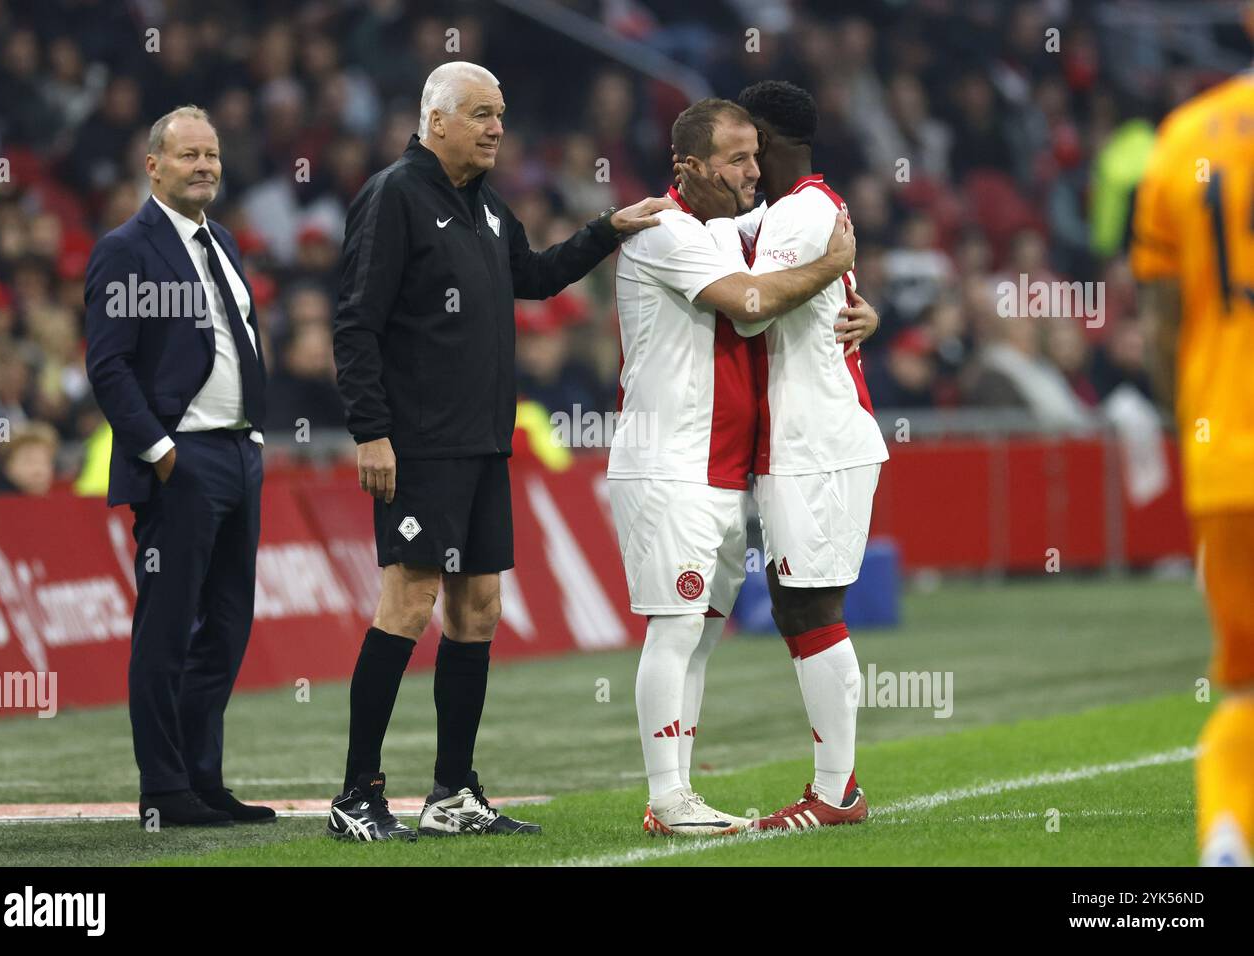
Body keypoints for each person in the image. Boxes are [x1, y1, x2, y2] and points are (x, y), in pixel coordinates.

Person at [329, 61, 673, 841]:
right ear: (435, 120)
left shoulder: (484, 207)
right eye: (481, 114)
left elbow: (537, 278)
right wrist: (370, 430)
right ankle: (357, 793)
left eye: (501, 115)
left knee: (477, 612)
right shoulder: (394, 197)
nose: (495, 128)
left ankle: (452, 792)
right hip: (418, 445)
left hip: (483, 444)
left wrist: (607, 230)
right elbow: (355, 323)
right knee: (408, 603)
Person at [610, 97, 860, 837]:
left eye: (758, 155)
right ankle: (667, 797)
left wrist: (856, 300)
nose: (756, 172)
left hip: (717, 468)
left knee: (699, 633)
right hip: (670, 463)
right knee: (676, 626)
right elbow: (750, 303)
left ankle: (675, 796)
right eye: (737, 160)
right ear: (689, 166)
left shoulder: (718, 227)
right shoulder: (665, 230)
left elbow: (779, 259)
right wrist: (834, 265)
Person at [686, 80, 888, 831]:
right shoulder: (793, 210)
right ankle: (837, 789)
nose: (739, 162)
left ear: (765, 141)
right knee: (794, 604)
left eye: (745, 145)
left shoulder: (802, 212)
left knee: (809, 604)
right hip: (798, 443)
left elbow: (750, 312)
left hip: (818, 443)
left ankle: (837, 794)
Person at [84, 105, 272, 828]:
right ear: (152, 165)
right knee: (166, 631)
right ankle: (164, 790)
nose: (205, 166)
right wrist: (161, 454)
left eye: (213, 155)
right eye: (189, 154)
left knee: (226, 627)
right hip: (183, 460)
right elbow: (108, 367)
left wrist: (252, 442)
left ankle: (203, 779)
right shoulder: (125, 248)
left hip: (237, 452)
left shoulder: (219, 239)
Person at [1132, 29, 1254, 866]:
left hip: (1226, 451)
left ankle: (1226, 836)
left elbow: (1160, 321)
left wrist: (1193, 424)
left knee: (1243, 680)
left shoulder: (1186, 138)